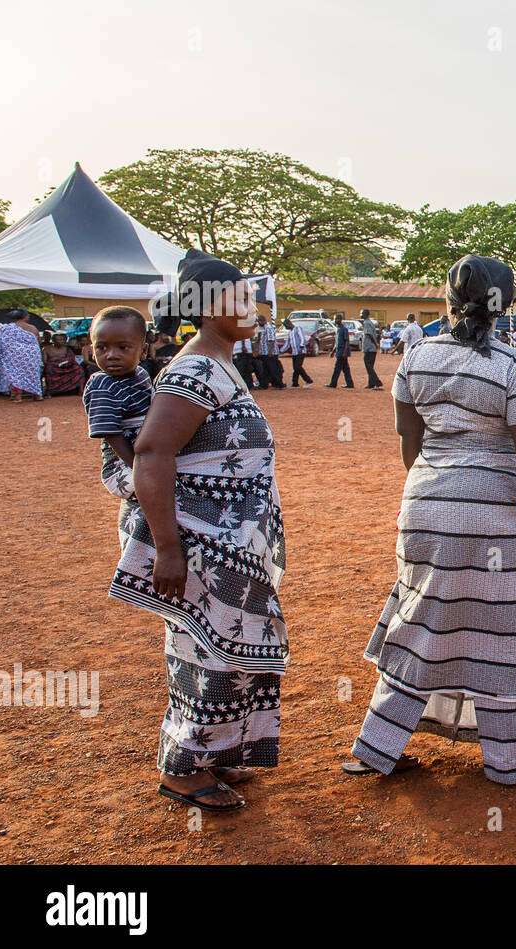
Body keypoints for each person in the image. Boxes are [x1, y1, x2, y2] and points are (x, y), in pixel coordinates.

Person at [346, 255, 516, 783]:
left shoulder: (416, 357)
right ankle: (511, 756)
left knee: (418, 620)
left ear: (448, 302)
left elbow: (410, 437)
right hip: (489, 518)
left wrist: (434, 489)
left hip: (422, 506)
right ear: (507, 306)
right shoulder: (514, 366)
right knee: (500, 629)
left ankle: (377, 746)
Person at [113, 249, 288, 813]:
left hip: (228, 545)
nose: (256, 307)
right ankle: (183, 769)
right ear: (211, 306)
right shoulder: (195, 369)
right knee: (205, 654)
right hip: (199, 545)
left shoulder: (218, 364)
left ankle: (215, 750)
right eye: (244, 298)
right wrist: (167, 548)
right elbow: (152, 453)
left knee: (236, 651)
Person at [82, 306, 153, 499]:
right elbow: (110, 432)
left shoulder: (141, 375)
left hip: (145, 457)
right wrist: (137, 467)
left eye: (123, 347)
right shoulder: (102, 385)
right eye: (101, 348)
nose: (111, 355)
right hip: (122, 466)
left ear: (143, 351)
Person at [0, 309, 44, 401]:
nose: (29, 317)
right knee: (33, 375)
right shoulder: (33, 328)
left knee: (16, 375)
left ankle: (18, 397)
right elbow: (39, 341)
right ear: (24, 317)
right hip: (32, 356)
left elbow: (4, 342)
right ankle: (37, 395)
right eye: (28, 316)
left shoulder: (8, 328)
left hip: (15, 356)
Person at [252, 314, 285, 389]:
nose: (258, 323)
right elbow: (258, 339)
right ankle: (264, 385)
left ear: (263, 320)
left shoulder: (269, 328)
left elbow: (271, 341)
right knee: (265, 370)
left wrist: (270, 351)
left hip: (270, 353)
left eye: (259, 321)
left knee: (273, 369)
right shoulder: (261, 328)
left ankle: (279, 384)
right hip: (264, 352)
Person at [282, 317, 314, 387]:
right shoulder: (290, 333)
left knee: (298, 367)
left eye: (285, 325)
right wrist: (280, 351)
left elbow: (302, 338)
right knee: (295, 368)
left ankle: (308, 380)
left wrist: (301, 347)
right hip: (294, 352)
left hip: (300, 352)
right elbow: (287, 344)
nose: (285, 327)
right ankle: (295, 384)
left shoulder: (298, 328)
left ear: (289, 323)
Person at [327, 315, 355, 388]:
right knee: (345, 369)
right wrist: (333, 351)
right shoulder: (338, 329)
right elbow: (337, 342)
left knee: (337, 368)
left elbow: (347, 341)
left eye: (336, 319)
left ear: (340, 319)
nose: (335, 320)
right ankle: (350, 384)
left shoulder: (344, 329)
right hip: (339, 351)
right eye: (334, 319)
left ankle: (333, 383)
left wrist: (345, 352)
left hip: (342, 352)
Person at [359, 308, 383, 389]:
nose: (361, 315)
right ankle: (371, 383)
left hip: (369, 347)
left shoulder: (366, 323)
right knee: (370, 366)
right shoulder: (370, 322)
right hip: (372, 348)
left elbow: (369, 334)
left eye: (362, 313)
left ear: (366, 314)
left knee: (368, 366)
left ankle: (377, 382)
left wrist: (375, 343)